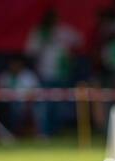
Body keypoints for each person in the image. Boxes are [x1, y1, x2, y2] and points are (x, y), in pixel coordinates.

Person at [25, 7, 82, 137]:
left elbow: (79, 40)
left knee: (59, 105)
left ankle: (56, 131)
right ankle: (45, 132)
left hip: (62, 73)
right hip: (44, 73)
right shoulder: (39, 33)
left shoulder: (64, 30)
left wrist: (71, 55)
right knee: (45, 105)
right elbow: (30, 52)